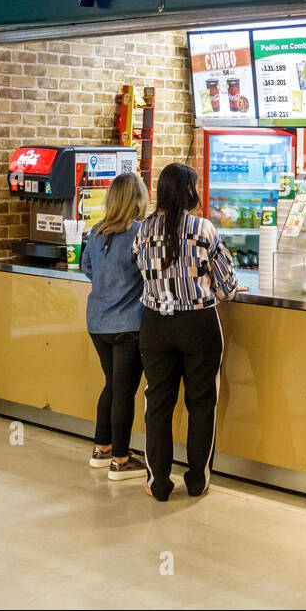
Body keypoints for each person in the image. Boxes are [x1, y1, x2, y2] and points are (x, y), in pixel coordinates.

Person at [133, 162, 237, 500]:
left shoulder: (143, 230)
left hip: (155, 324)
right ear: (190, 191)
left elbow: (141, 269)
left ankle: (158, 483)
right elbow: (228, 286)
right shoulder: (204, 229)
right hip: (198, 326)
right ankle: (197, 480)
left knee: (157, 404)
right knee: (201, 403)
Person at [80, 171, 149, 480]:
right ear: (137, 200)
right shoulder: (139, 233)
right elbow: (153, 271)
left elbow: (87, 269)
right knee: (124, 391)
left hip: (98, 323)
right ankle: (121, 461)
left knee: (111, 384)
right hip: (129, 325)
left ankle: (102, 448)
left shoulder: (96, 232)